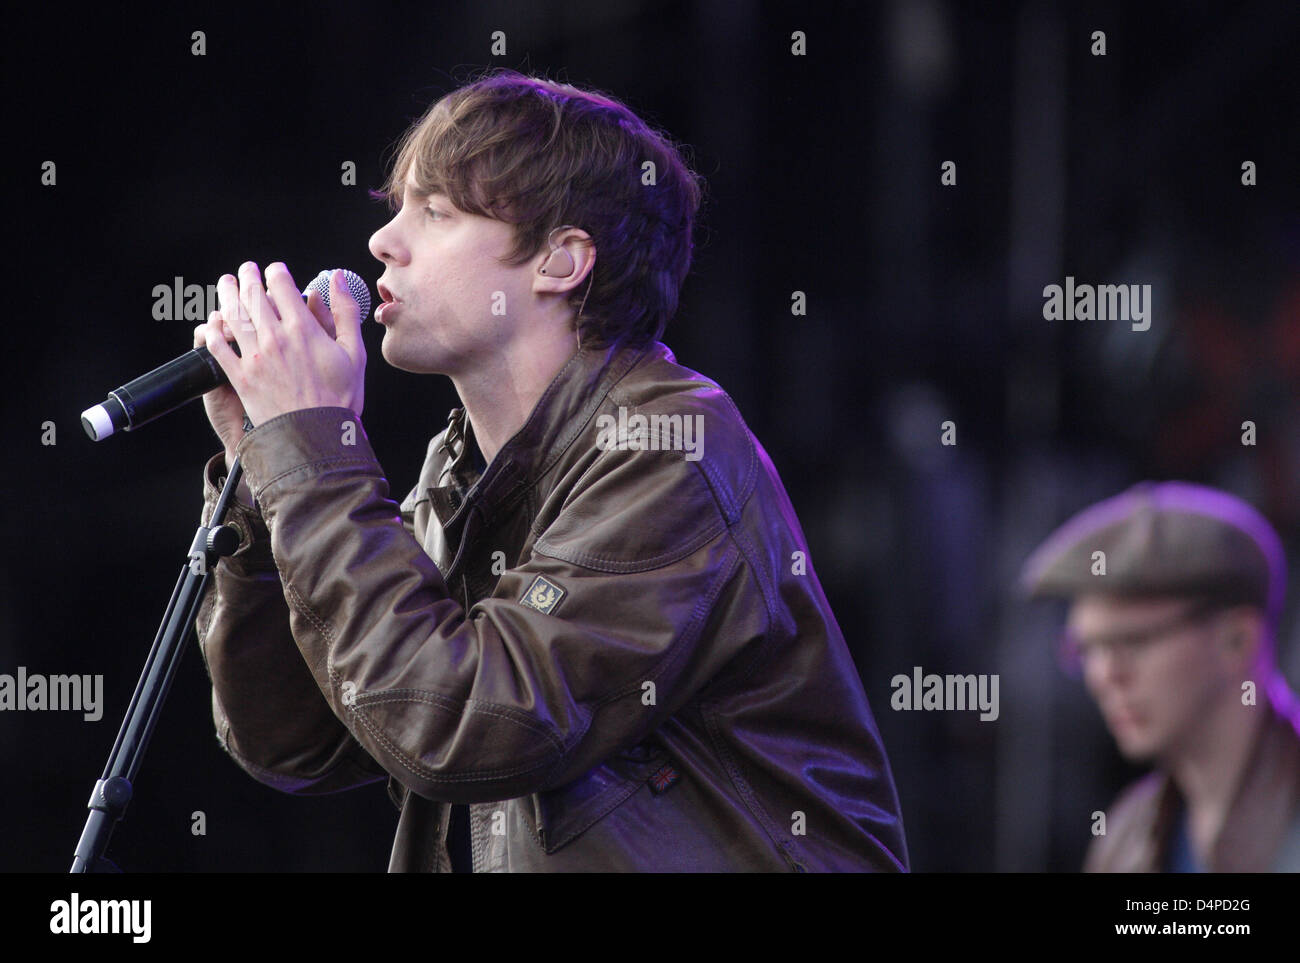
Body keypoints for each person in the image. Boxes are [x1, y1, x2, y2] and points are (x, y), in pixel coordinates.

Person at [189, 68, 908, 872]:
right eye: (397, 210)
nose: (383, 242)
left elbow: (470, 723)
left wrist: (317, 454)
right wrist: (266, 478)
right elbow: (299, 742)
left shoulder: (670, 444)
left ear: (561, 261)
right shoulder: (458, 472)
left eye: (436, 211)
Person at [1020, 481, 1300, 872]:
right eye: (1087, 650)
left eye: (1131, 643)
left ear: (1238, 640)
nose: (1103, 677)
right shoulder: (1126, 834)